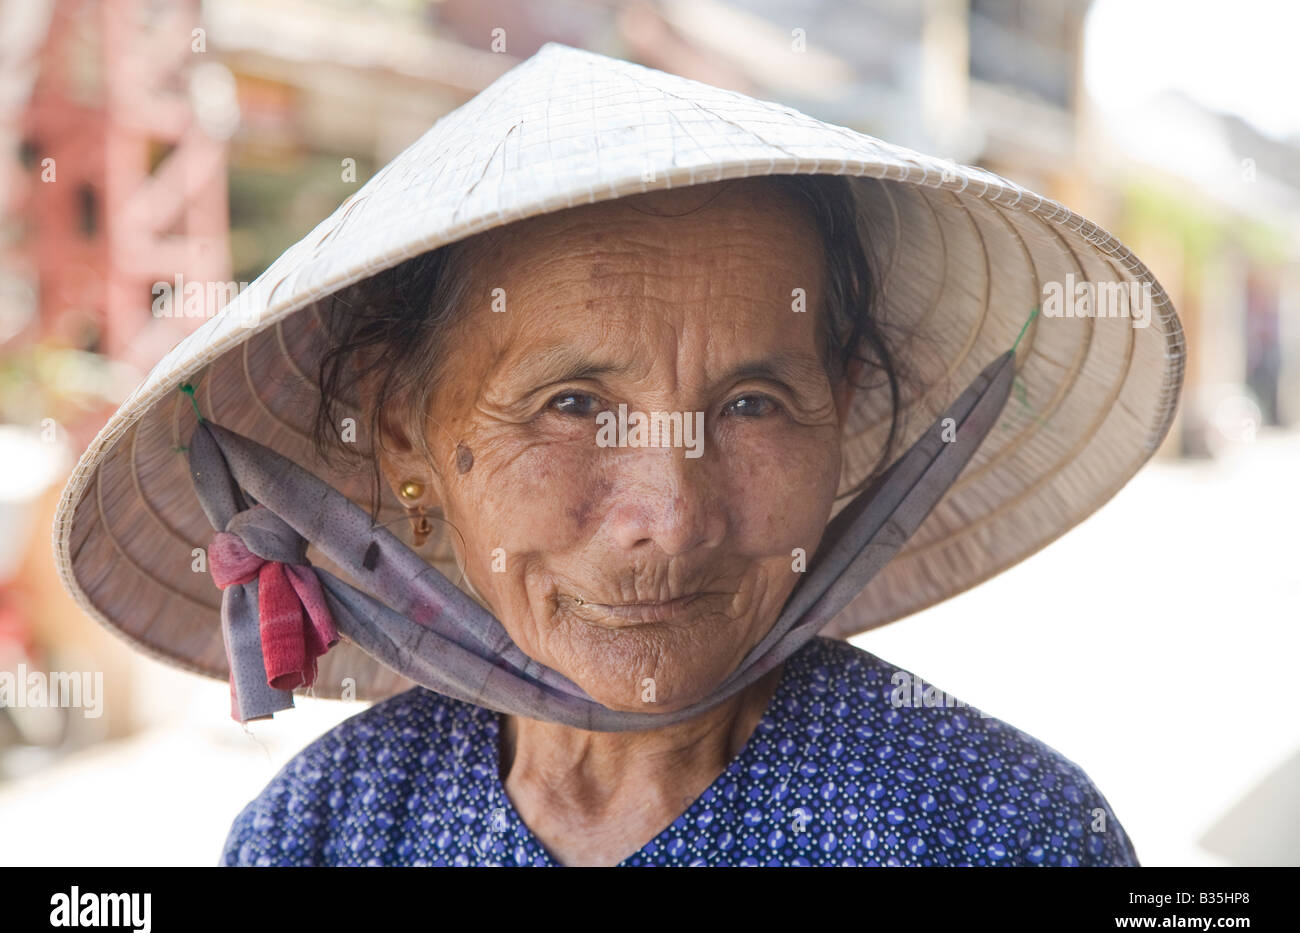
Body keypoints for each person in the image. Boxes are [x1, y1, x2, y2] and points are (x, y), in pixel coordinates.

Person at [53, 43, 1182, 866]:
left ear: (839, 418)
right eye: (573, 402)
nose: (670, 516)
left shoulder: (1002, 831)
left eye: (750, 401)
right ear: (406, 437)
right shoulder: (323, 832)